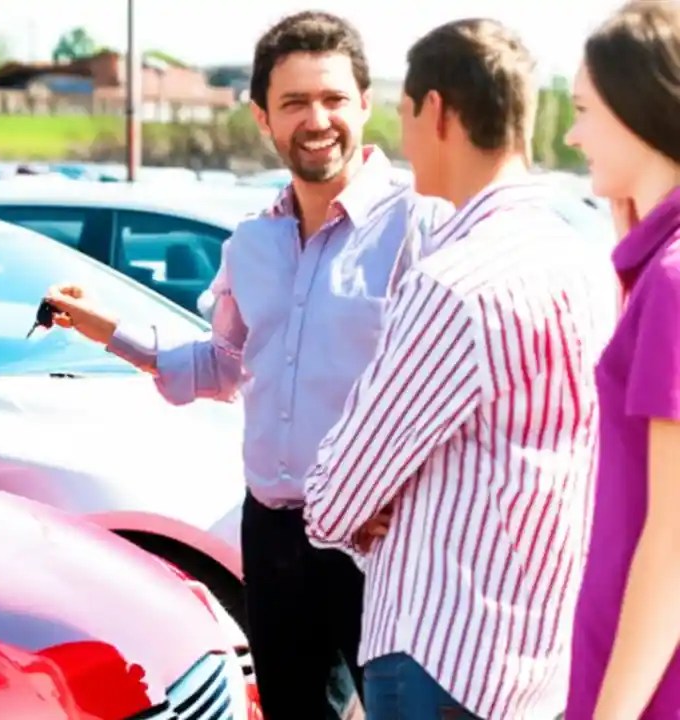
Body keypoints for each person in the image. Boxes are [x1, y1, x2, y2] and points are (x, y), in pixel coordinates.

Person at [42, 11, 451, 718]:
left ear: (364, 105)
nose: (316, 119)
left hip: (379, 545)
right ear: (262, 116)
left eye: (332, 99)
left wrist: (414, 494)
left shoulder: (420, 227)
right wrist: (106, 329)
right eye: (294, 103)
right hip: (272, 537)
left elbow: (456, 386)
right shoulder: (251, 244)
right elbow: (226, 364)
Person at [299, 18, 620, 720]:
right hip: (541, 649)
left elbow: (332, 499)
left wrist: (361, 509)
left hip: (442, 655)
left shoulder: (454, 283)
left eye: (405, 113)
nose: (402, 135)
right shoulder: (586, 267)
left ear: (436, 111)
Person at [562, 2, 680, 718]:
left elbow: (673, 545)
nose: (572, 133)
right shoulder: (658, 270)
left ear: (640, 109)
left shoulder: (672, 279)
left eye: (582, 109)